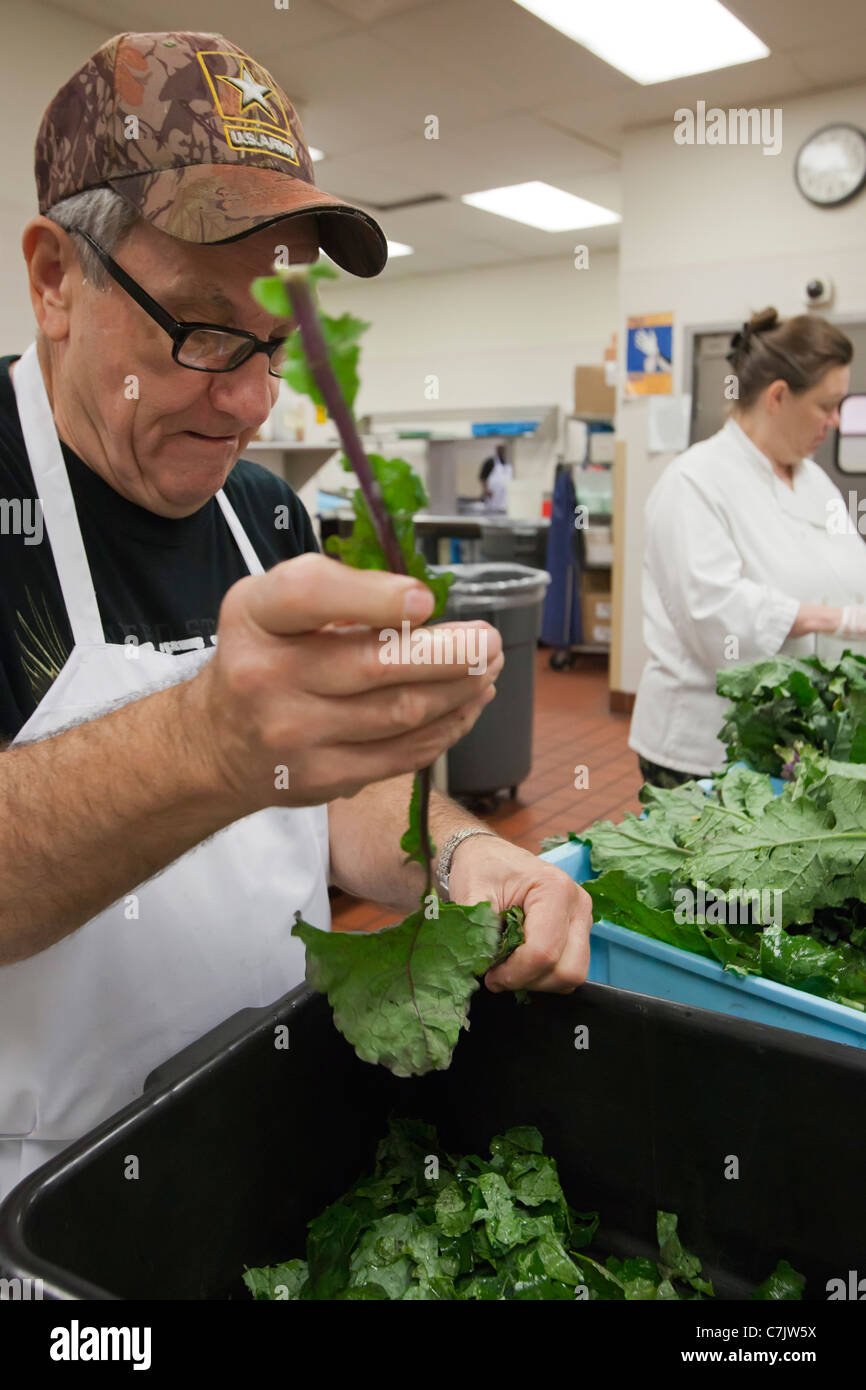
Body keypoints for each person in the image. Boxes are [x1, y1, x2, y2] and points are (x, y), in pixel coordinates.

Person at [0, 30, 591, 1201]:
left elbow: (326, 790)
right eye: (202, 328)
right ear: (56, 277)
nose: (247, 402)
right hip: (41, 1199)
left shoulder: (264, 515)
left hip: (257, 1125)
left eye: (275, 343)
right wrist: (206, 742)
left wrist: (455, 853)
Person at [629, 307, 865, 787]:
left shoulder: (814, 480)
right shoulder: (694, 481)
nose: (837, 420)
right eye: (827, 404)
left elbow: (850, 563)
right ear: (778, 396)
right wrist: (832, 618)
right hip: (702, 749)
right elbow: (714, 619)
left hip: (789, 742)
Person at [479, 443, 513, 512]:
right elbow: (483, 477)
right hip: (492, 496)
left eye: (503, 450)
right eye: (500, 449)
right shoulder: (490, 462)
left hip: (504, 497)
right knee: (492, 511)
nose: (501, 451)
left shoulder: (507, 464)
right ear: (497, 450)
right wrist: (486, 490)